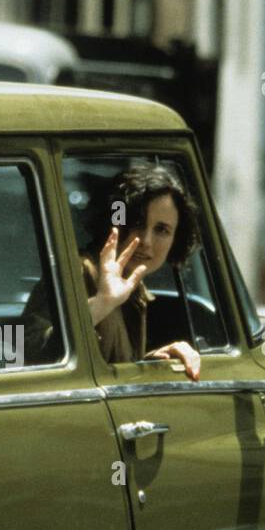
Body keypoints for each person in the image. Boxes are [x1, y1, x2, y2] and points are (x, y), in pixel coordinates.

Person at [24, 161, 202, 379]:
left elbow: (107, 367)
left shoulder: (134, 289)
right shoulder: (79, 270)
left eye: (162, 230)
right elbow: (30, 358)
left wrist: (153, 363)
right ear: (115, 221)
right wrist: (101, 304)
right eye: (137, 222)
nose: (146, 240)